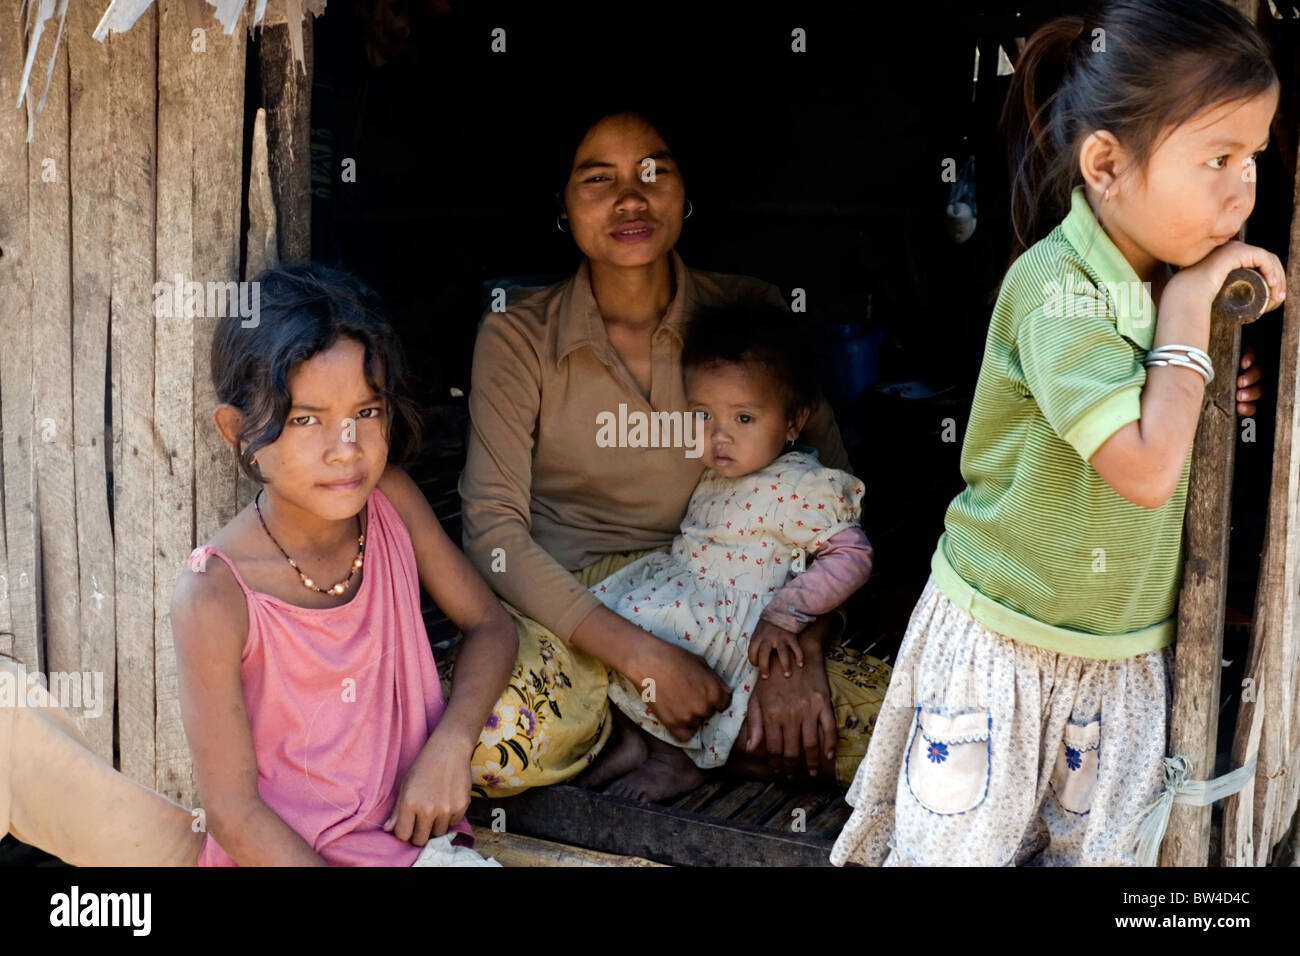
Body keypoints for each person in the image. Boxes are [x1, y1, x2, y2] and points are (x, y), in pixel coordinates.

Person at [831, 0, 1284, 867]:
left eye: (1253, 159)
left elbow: (1168, 414)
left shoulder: (1160, 280)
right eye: (1217, 158)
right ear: (1106, 163)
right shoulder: (1060, 290)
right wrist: (1190, 313)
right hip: (1001, 649)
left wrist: (1211, 381)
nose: (1243, 190)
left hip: (1117, 658)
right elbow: (1145, 471)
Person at [416, 105, 890, 797]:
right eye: (597, 179)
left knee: (899, 737)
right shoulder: (518, 335)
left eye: (653, 172)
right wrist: (644, 659)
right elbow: (493, 534)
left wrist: (798, 645)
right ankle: (663, 729)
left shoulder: (747, 314)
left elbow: (833, 504)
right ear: (562, 204)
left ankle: (653, 737)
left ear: (685, 188)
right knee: (494, 747)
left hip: (737, 610)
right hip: (569, 608)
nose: (630, 199)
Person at [0, 265, 515, 866]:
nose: (345, 448)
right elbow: (233, 814)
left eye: (367, 412)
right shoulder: (215, 595)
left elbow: (491, 625)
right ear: (236, 430)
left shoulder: (391, 503)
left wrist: (451, 743)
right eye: (305, 419)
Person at [577, 301, 884, 802]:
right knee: (617, 627)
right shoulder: (718, 472)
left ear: (793, 421)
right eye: (703, 415)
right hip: (684, 594)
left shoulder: (804, 485)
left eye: (744, 417)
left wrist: (787, 612)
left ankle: (674, 760)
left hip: (734, 624)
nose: (719, 435)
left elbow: (852, 555)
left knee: (658, 636)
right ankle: (637, 742)